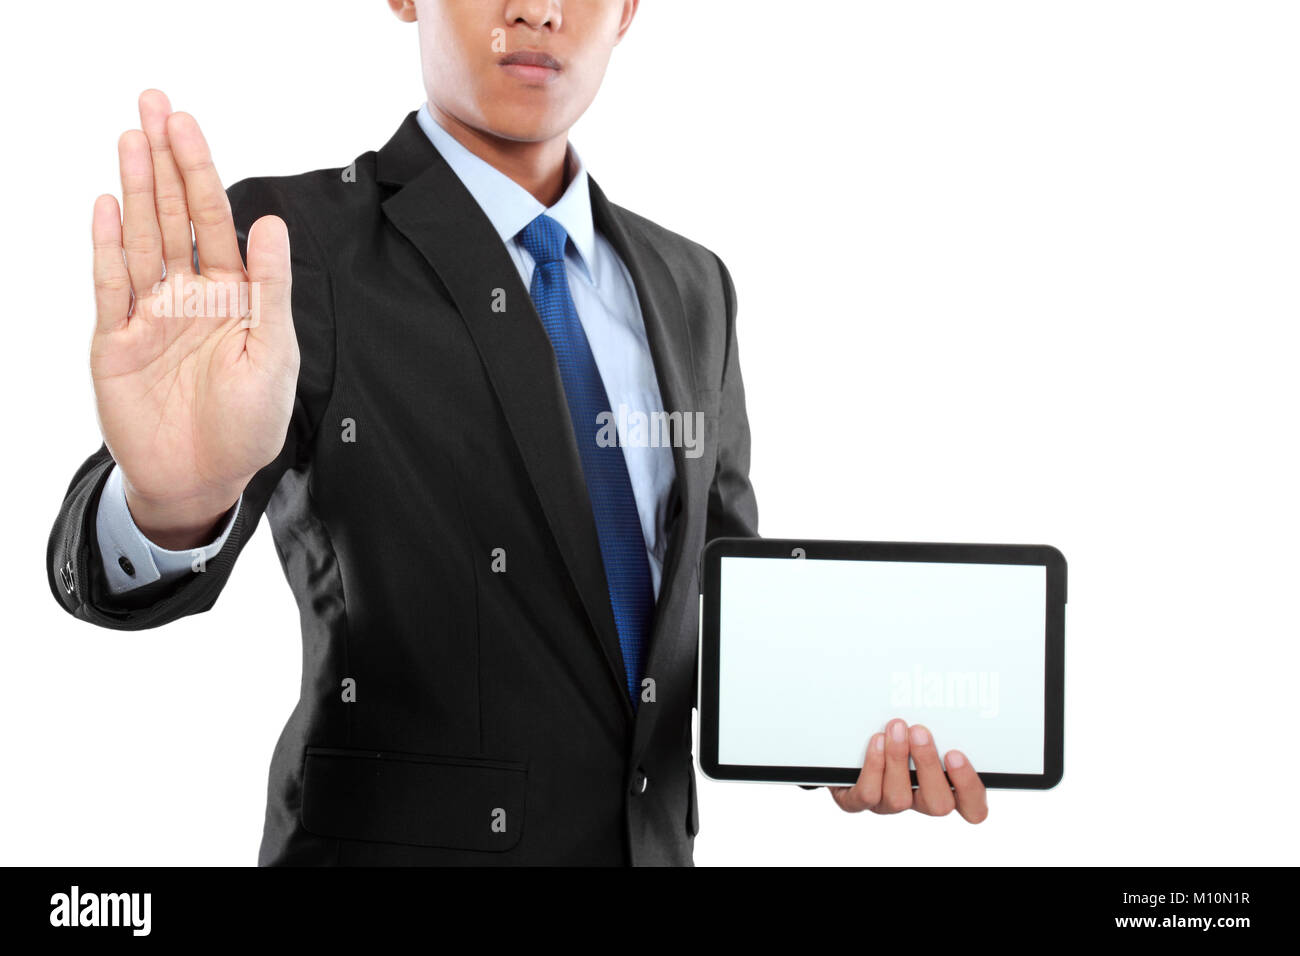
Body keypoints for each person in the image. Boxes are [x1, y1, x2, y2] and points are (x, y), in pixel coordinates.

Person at [47, 0, 987, 866]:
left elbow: (722, 610)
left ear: (627, 11)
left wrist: (852, 734)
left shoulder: (694, 285)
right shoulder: (294, 246)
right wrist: (168, 503)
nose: (538, 8)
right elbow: (115, 546)